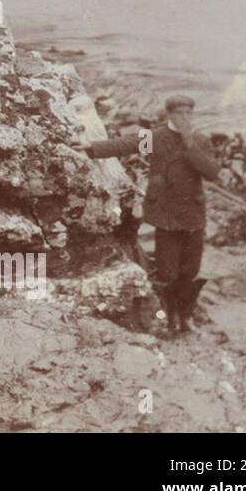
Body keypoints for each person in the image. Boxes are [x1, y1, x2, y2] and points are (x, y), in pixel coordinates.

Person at [74, 95, 220, 333]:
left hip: (194, 216)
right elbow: (124, 144)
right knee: (167, 271)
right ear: (170, 115)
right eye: (180, 115)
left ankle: (185, 317)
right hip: (167, 217)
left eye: (188, 115)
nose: (185, 119)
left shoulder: (200, 141)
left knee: (190, 272)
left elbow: (211, 171)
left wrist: (189, 143)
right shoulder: (155, 137)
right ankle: (170, 317)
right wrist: (91, 148)